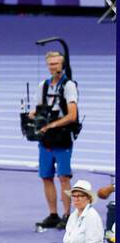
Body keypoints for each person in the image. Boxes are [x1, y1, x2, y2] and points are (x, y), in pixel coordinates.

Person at [29, 48, 80, 229]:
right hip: (46, 139)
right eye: (50, 64)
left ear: (62, 64)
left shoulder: (69, 86)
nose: (54, 67)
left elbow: (72, 115)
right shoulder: (42, 86)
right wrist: (32, 115)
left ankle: (67, 215)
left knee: (64, 177)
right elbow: (39, 110)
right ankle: (53, 214)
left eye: (56, 63)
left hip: (62, 136)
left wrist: (52, 125)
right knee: (46, 177)